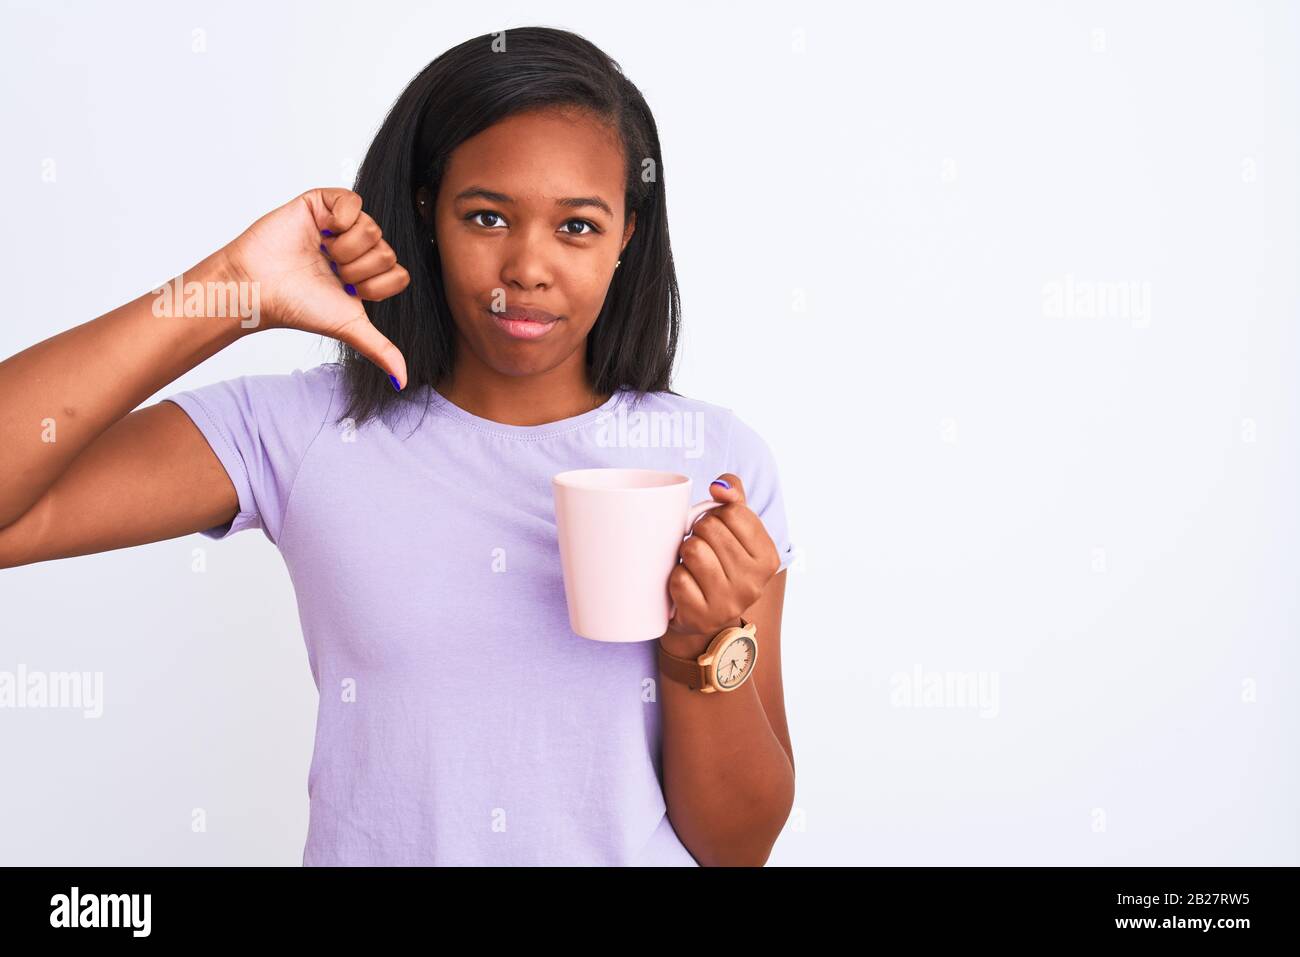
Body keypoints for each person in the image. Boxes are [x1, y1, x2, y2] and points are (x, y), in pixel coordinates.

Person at [0, 26, 796, 866]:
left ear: (629, 234)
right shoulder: (303, 431)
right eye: (487, 216)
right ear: (425, 210)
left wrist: (698, 649)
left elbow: (738, 847)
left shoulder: (711, 461)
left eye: (578, 227)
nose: (527, 266)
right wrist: (232, 289)